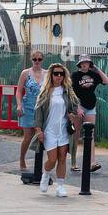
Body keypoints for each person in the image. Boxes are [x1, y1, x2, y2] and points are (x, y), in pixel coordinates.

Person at [33, 64, 81, 197]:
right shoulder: (45, 92)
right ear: (51, 75)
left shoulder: (68, 91)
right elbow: (38, 113)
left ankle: (60, 186)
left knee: (62, 158)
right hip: (49, 130)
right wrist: (38, 130)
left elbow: (74, 106)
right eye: (56, 74)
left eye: (61, 74)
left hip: (63, 131)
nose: (59, 76)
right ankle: (46, 174)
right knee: (52, 159)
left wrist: (72, 113)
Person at [69, 55, 108, 172]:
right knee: (76, 134)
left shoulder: (94, 75)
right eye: (83, 62)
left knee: (90, 134)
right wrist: (77, 108)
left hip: (91, 106)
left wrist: (97, 69)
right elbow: (70, 92)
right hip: (79, 106)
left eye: (87, 62)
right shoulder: (75, 75)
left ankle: (92, 162)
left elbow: (106, 81)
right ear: (80, 64)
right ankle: (73, 162)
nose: (84, 64)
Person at [16, 51, 46, 172]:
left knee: (41, 135)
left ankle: (39, 163)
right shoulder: (26, 73)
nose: (37, 62)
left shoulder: (47, 73)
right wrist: (19, 105)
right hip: (28, 105)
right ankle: (22, 158)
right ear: (31, 60)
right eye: (35, 59)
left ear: (42, 60)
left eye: (39, 59)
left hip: (42, 107)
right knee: (28, 136)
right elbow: (18, 91)